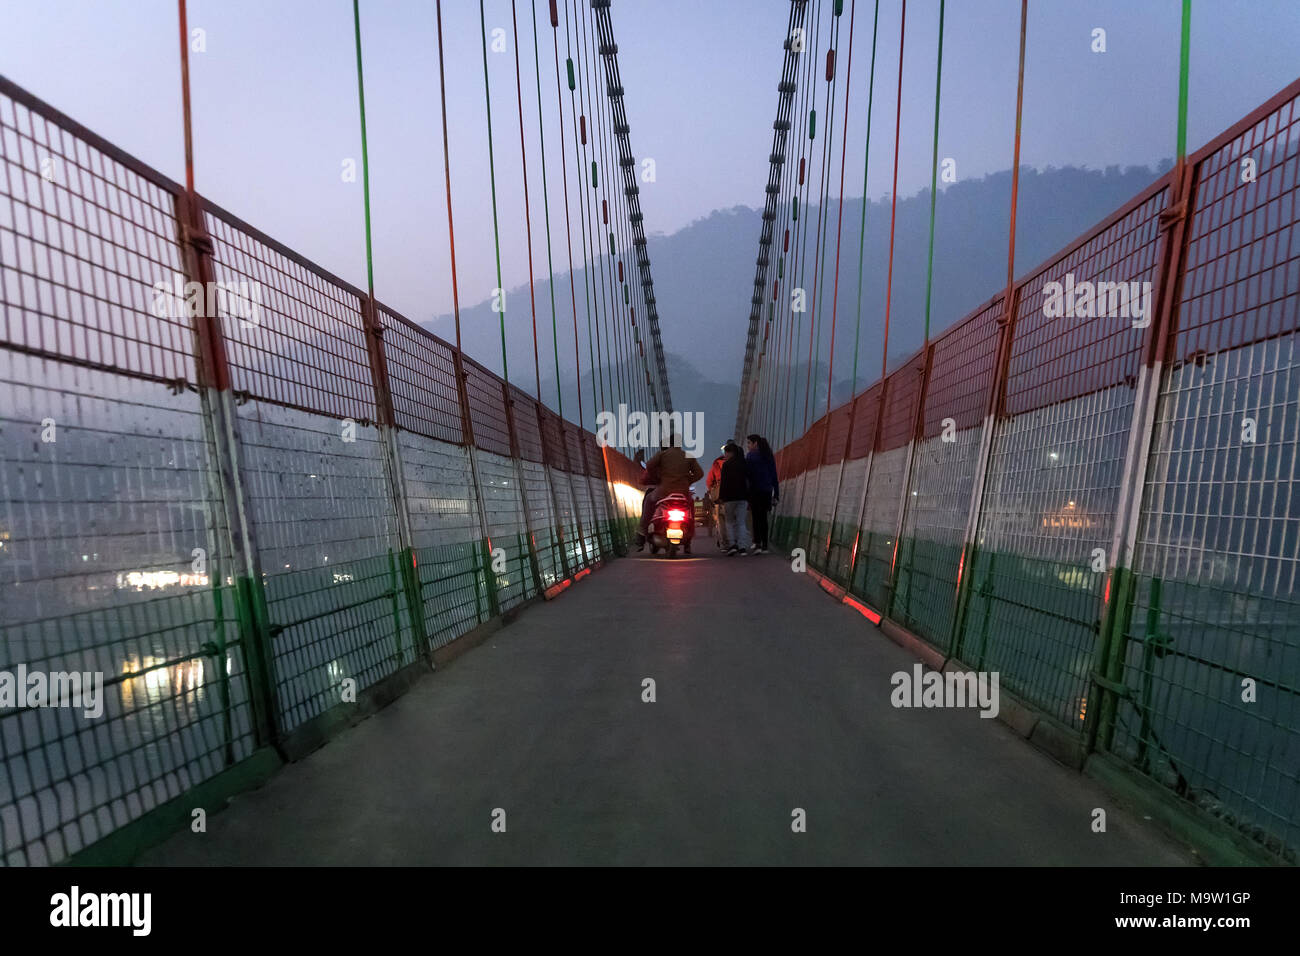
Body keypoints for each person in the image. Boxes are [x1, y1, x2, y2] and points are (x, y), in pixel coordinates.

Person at [635, 431, 704, 551]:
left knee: (649, 500)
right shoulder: (688, 455)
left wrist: (657, 476)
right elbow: (700, 473)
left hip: (664, 490)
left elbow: (649, 465)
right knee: (690, 506)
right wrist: (688, 481)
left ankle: (642, 530)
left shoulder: (663, 454)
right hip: (683, 491)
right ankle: (689, 539)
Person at [744, 434, 779, 554]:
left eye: (749, 443)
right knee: (763, 518)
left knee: (756, 518)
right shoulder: (768, 455)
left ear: (755, 443)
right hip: (767, 491)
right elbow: (774, 475)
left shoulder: (750, 456)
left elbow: (747, 475)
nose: (748, 446)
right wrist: (776, 494)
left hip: (754, 491)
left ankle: (757, 543)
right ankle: (765, 545)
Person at [717, 441, 750, 556]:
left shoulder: (726, 465)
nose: (725, 455)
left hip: (729, 498)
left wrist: (721, 497)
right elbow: (748, 481)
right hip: (743, 497)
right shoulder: (744, 463)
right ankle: (742, 547)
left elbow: (724, 483)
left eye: (726, 453)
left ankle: (732, 545)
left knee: (729, 522)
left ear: (731, 453)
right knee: (741, 522)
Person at [705, 441, 732, 550]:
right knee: (736, 521)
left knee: (721, 520)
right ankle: (737, 544)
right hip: (737, 495)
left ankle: (725, 544)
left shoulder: (718, 462)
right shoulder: (742, 461)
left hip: (720, 496)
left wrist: (712, 491)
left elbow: (709, 481)